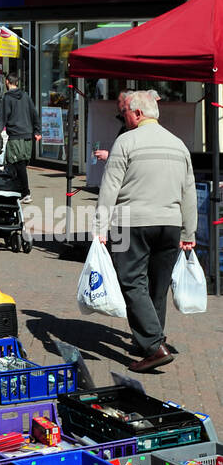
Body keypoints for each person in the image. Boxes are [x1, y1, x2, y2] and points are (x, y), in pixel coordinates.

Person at [94, 90, 198, 373]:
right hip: (170, 224)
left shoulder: (125, 141)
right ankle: (150, 341)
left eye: (126, 111)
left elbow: (110, 188)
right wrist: (189, 231)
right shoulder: (178, 145)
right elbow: (188, 192)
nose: (123, 116)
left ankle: (153, 345)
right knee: (157, 285)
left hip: (133, 221)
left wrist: (100, 228)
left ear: (138, 114)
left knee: (132, 282)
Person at [0, 73, 41, 202]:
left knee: (16, 164)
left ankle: (25, 192)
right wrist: (37, 130)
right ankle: (17, 191)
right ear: (17, 82)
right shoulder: (26, 96)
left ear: (7, 82)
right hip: (27, 136)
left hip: (16, 136)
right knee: (17, 164)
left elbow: (2, 118)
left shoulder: (7, 98)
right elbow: (34, 113)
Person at [93, 90, 132, 163]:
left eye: (119, 102)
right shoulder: (123, 123)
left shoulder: (133, 128)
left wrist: (109, 156)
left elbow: (129, 155)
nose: (117, 105)